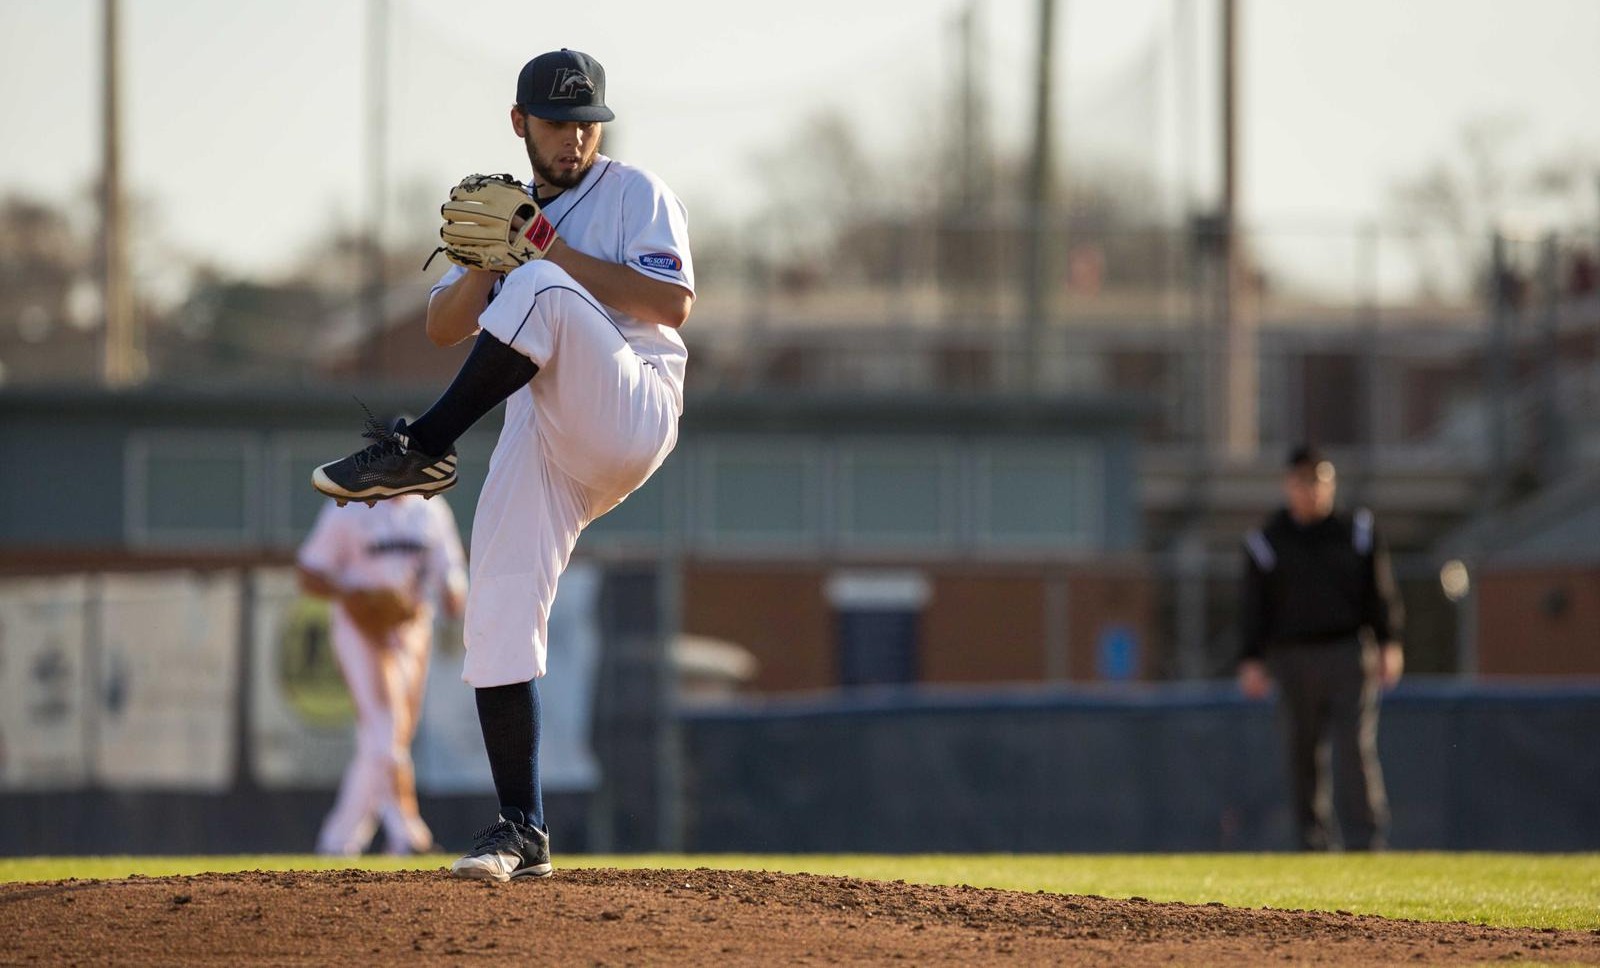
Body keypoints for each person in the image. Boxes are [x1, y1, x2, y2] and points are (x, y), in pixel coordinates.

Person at [311, 48, 692, 880]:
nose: (575, 140)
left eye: (588, 124)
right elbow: (446, 327)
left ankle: (423, 448)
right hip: (546, 426)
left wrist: (543, 249)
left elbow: (671, 303)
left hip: (631, 404)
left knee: (543, 288)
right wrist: (489, 258)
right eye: (558, 123)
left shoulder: (635, 192)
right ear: (520, 123)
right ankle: (523, 830)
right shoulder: (506, 209)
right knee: (495, 614)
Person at [1237, 446, 1405, 851]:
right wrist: (1252, 658)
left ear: (1330, 484)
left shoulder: (1357, 533)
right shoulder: (1267, 541)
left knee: (1354, 751)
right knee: (1302, 753)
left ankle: (1367, 842)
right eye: (1301, 482)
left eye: (1318, 480)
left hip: (1347, 652)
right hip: (1291, 656)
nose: (1310, 490)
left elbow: (1379, 593)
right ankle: (1312, 843)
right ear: (1287, 486)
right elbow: (1253, 606)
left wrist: (1389, 641)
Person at [296, 490, 468, 856]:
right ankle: (409, 834)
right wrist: (350, 594)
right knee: (386, 730)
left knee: (387, 738)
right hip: (362, 629)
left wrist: (453, 593)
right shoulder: (348, 509)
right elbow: (309, 571)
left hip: (412, 625)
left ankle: (339, 840)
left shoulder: (430, 510)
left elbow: (450, 571)